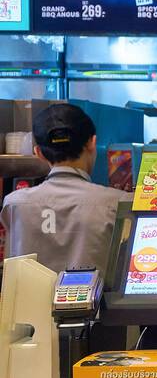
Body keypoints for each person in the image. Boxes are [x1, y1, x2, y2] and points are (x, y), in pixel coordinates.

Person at [1, 102, 130, 275]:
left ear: (38, 152)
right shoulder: (120, 203)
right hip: (98, 303)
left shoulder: (14, 204)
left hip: (27, 303)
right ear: (92, 143)